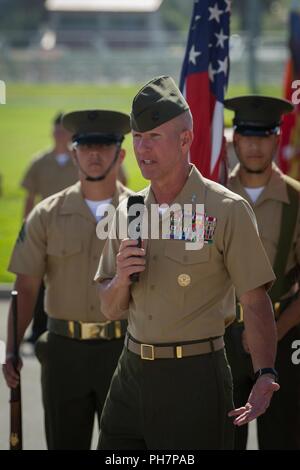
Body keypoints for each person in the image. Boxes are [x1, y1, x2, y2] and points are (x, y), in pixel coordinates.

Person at [94, 76, 279, 450]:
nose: (142, 148)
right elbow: (110, 308)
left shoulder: (226, 210)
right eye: (137, 137)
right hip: (130, 375)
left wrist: (265, 372)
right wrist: (122, 280)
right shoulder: (128, 211)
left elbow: (256, 301)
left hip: (193, 378)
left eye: (154, 137)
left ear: (184, 139)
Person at [2, 109, 133, 450]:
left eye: (104, 146)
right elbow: (26, 287)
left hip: (125, 351)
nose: (94, 154)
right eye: (86, 145)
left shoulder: (140, 212)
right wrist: (12, 347)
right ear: (73, 152)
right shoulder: (46, 214)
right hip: (64, 353)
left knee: (126, 450)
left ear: (120, 153)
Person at [224, 95, 300, 450]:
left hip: (283, 336)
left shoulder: (296, 200)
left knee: (282, 437)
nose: (254, 145)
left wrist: (271, 332)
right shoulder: (214, 196)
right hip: (222, 338)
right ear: (234, 138)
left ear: (277, 139)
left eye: (263, 136)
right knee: (223, 438)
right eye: (247, 136)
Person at [21, 112, 78, 343]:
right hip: (45, 230)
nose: (60, 135)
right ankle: (38, 329)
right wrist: (27, 228)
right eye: (57, 130)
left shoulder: (82, 159)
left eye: (64, 130)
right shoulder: (40, 162)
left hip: (75, 230)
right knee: (39, 279)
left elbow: (118, 182)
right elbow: (29, 197)